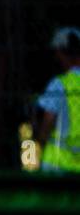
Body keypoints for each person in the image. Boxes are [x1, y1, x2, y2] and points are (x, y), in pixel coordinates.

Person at [35, 26, 80, 173]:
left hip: (57, 166)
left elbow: (47, 123)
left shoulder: (59, 84)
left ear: (62, 54)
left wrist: (32, 159)